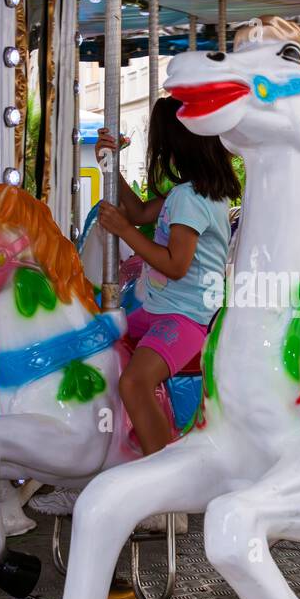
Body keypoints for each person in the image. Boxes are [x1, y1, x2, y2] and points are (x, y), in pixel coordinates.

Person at [95, 96, 241, 455]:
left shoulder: (191, 198)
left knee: (134, 382)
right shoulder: (189, 192)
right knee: (96, 352)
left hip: (184, 316)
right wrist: (108, 167)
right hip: (156, 308)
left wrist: (122, 231)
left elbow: (177, 265)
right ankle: (107, 459)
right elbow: (141, 212)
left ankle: (161, 477)